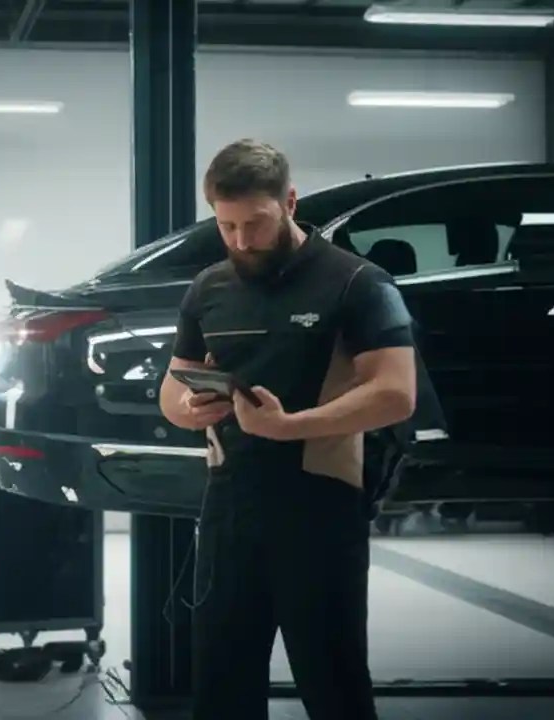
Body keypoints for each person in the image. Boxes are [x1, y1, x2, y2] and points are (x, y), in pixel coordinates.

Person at [158, 139, 418, 720]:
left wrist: (290, 426)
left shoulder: (359, 283)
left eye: (255, 223)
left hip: (320, 510)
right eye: (226, 226)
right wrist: (187, 409)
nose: (240, 240)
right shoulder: (208, 288)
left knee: (334, 685)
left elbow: (396, 393)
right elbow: (172, 388)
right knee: (220, 689)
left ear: (290, 202)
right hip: (228, 510)